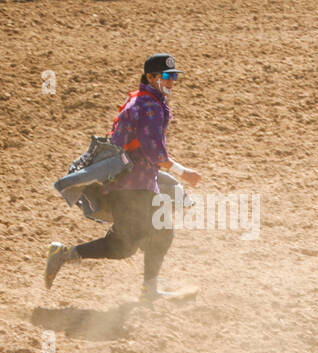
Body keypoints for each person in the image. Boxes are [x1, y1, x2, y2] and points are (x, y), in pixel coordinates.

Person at [44, 53, 201, 299]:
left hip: (131, 184)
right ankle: (64, 254)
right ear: (150, 77)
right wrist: (184, 173)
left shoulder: (141, 100)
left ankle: (147, 289)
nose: (171, 82)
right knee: (132, 243)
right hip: (132, 187)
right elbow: (155, 153)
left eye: (174, 77)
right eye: (166, 76)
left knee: (144, 238)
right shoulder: (149, 107)